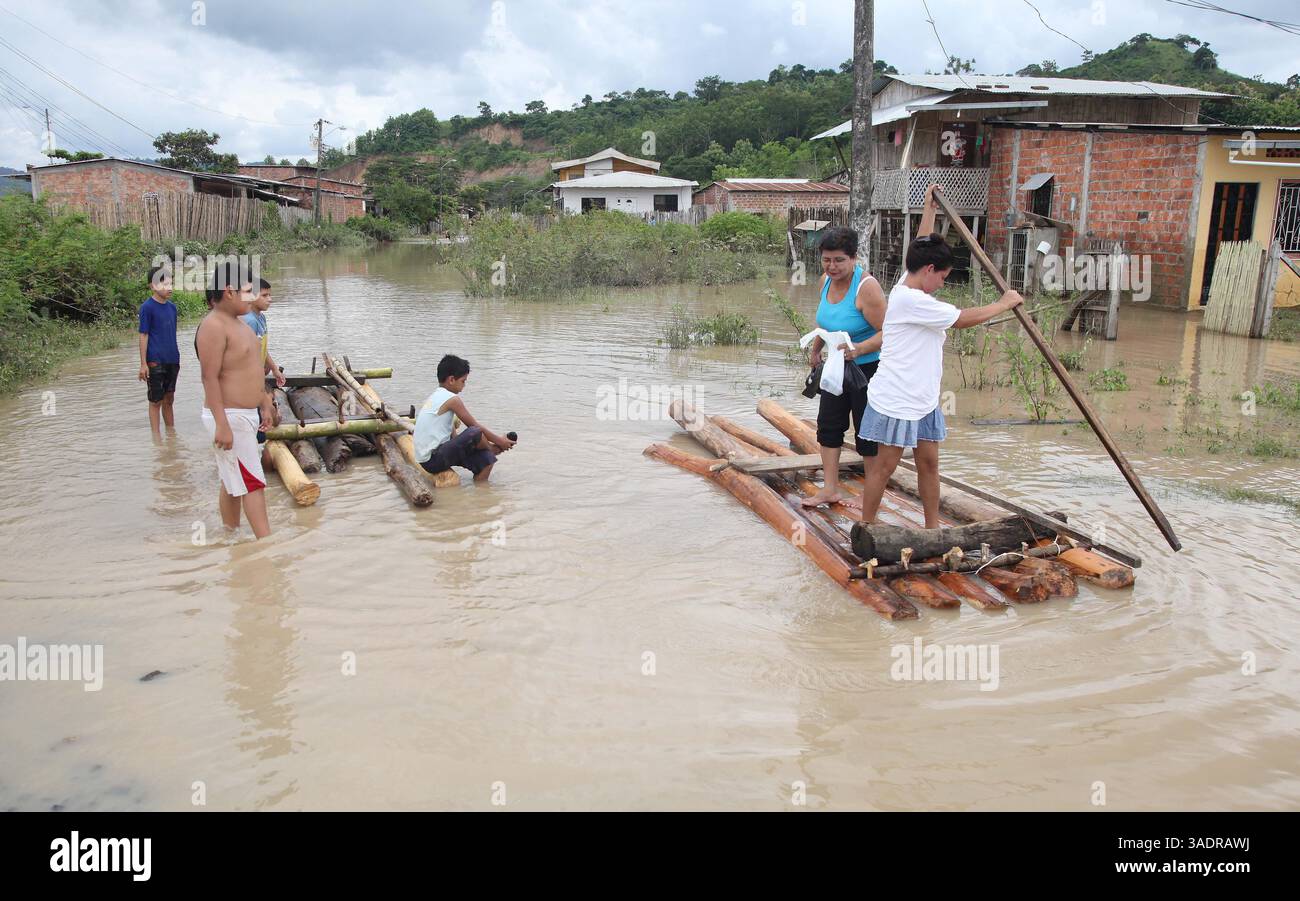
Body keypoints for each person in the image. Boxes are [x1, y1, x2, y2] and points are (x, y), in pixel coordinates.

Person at [858, 185, 1024, 528]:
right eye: (943, 278)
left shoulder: (910, 279)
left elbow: (918, 245)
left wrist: (929, 209)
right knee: (884, 467)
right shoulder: (913, 300)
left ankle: (932, 528)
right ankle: (867, 526)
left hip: (923, 398)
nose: (943, 284)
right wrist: (1003, 304)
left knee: (930, 463)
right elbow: (962, 320)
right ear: (930, 270)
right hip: (896, 398)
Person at [802, 227, 885, 509]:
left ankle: (869, 494)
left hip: (868, 370)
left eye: (839, 260)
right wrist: (816, 350)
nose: (832, 266)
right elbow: (824, 324)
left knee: (867, 432)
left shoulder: (867, 287)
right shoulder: (825, 281)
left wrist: (859, 349)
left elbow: (889, 332)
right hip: (836, 368)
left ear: (854, 258)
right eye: (826, 259)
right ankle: (830, 489)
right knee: (828, 426)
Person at [195, 261, 274, 539]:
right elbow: (210, 378)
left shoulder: (239, 323)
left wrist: (264, 400)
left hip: (245, 413)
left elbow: (250, 367)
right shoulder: (213, 326)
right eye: (247, 291)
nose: (252, 296)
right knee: (253, 481)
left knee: (232, 480)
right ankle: (267, 546)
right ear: (229, 292)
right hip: (229, 415)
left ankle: (231, 535)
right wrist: (222, 424)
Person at [413, 355, 515, 483]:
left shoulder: (437, 397)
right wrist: (500, 442)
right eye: (463, 381)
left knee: (487, 460)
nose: (464, 385)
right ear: (451, 380)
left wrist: (472, 449)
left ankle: (480, 494)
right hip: (432, 459)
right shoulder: (452, 399)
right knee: (475, 432)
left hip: (435, 456)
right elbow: (474, 426)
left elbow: (451, 435)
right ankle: (493, 449)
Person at [241, 277, 285, 463]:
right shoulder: (249, 321)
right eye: (265, 295)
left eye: (270, 295)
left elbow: (262, 349)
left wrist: (274, 368)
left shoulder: (261, 318)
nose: (270, 299)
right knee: (262, 423)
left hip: (258, 377)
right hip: (250, 381)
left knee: (267, 419)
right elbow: (248, 355)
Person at [138, 264, 180, 435]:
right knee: (156, 401)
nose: (168, 288)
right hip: (155, 360)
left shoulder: (172, 308)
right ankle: (156, 438)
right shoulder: (147, 308)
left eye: (170, 284)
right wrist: (143, 364)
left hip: (172, 359)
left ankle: (171, 435)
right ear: (152, 286)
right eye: (163, 284)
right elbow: (143, 335)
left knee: (169, 399)